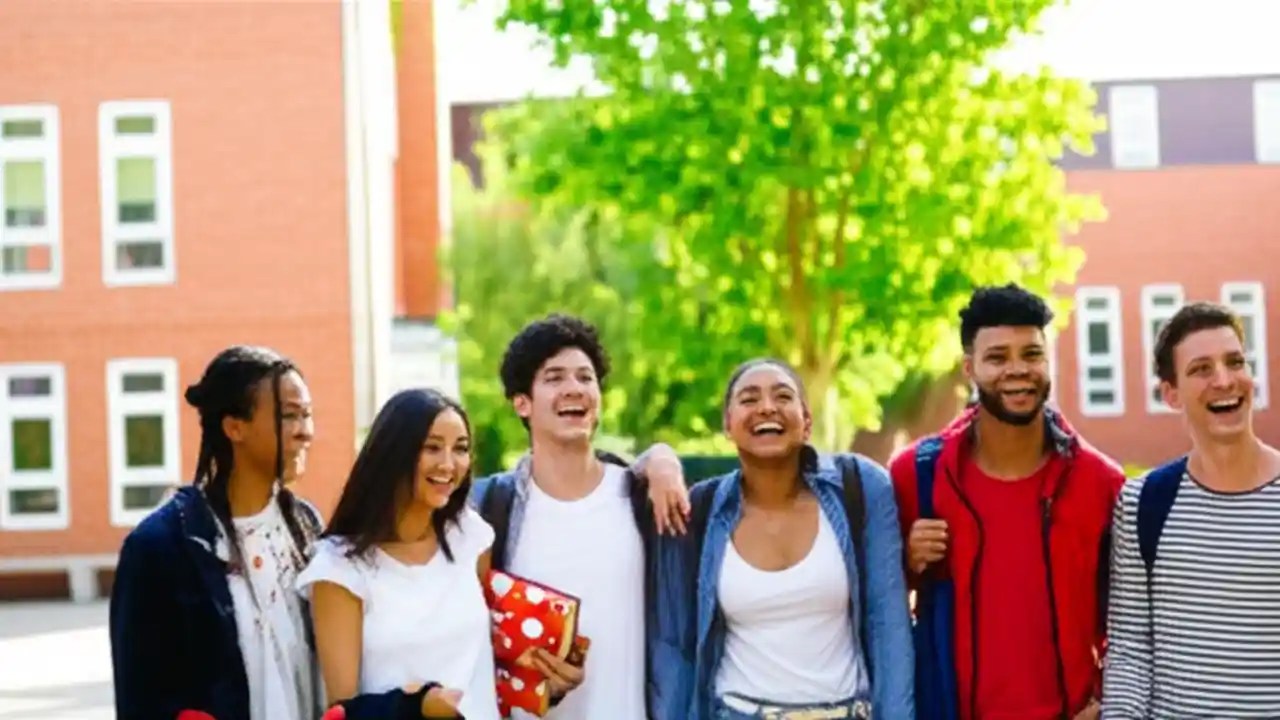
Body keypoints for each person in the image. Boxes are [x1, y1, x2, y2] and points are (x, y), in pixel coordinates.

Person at [890, 284, 1124, 720]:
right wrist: (906, 561)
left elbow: (1132, 619)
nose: (1018, 370)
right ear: (969, 368)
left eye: (1031, 354)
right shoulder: (915, 476)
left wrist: (1105, 698)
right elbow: (876, 610)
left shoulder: (1101, 482)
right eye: (997, 357)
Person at [652, 358, 915, 719]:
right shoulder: (699, 509)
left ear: (806, 422)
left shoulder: (862, 487)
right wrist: (656, 458)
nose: (766, 407)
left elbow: (890, 625)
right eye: (748, 399)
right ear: (727, 425)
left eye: (782, 395)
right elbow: (674, 646)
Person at [470, 314, 690, 720]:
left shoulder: (642, 499)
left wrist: (661, 457)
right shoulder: (486, 510)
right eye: (554, 378)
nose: (574, 389)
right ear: (522, 402)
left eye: (585, 378)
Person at [110, 345, 324, 720]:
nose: (306, 432)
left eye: (307, 415)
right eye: (290, 416)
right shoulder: (161, 547)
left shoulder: (307, 528)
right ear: (234, 427)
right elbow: (141, 699)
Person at [1103, 302, 1280, 718]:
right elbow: (1130, 651)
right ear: (1172, 394)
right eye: (1201, 369)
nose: (1224, 380)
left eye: (1235, 362)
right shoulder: (1142, 503)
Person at [299, 388, 499, 720]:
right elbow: (342, 712)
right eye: (432, 447)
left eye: (461, 449)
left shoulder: (471, 538)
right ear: (395, 453)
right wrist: (421, 707)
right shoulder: (340, 569)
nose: (449, 464)